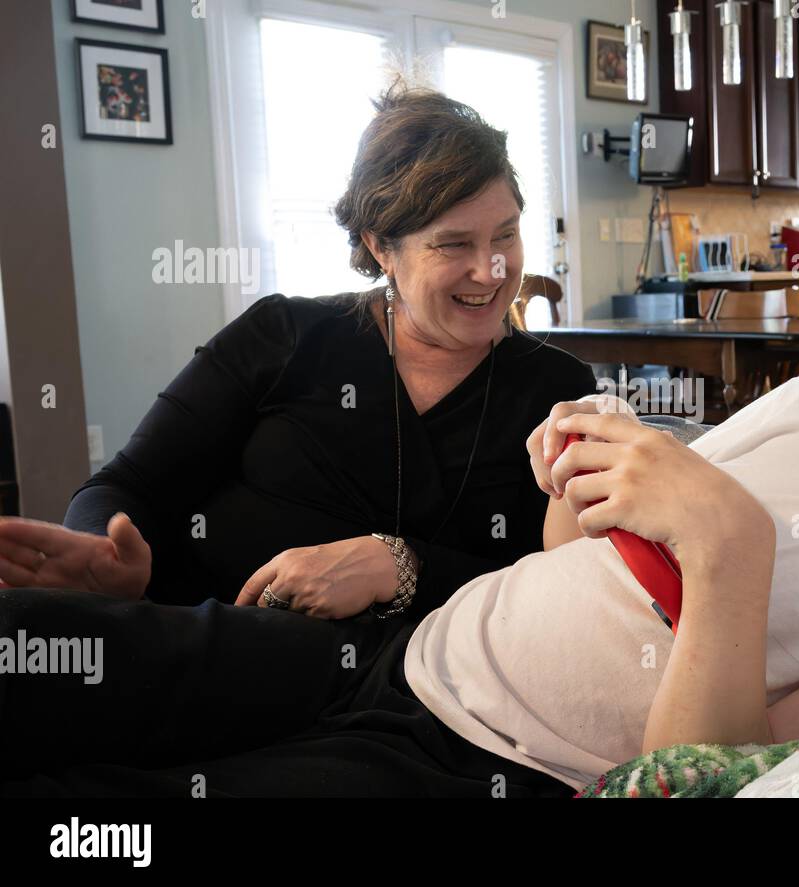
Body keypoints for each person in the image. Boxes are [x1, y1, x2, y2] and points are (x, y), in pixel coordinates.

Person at [0, 260, 799, 797]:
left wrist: (729, 547)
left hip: (489, 763)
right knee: (71, 656)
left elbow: (690, 775)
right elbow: (571, 561)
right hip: (413, 648)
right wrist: (576, 476)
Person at [0, 84, 596, 620]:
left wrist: (403, 567)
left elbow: (559, 588)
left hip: (409, 693)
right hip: (199, 639)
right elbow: (127, 484)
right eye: (454, 243)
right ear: (381, 248)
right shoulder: (283, 334)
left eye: (507, 235)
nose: (490, 269)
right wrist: (106, 553)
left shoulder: (557, 391)